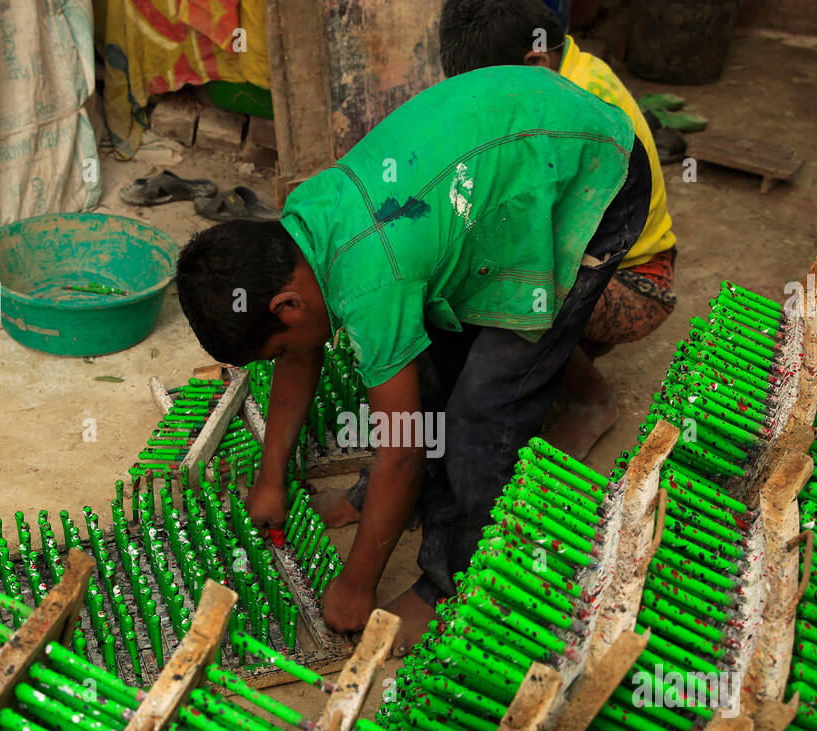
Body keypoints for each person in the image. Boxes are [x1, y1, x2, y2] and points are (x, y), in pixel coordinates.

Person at [175, 66, 650, 649]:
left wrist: (357, 583)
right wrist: (271, 478)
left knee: (484, 409)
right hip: (516, 144)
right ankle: (444, 486)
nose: (286, 358)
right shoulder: (303, 223)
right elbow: (300, 360)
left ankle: (451, 582)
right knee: (432, 367)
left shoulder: (371, 283)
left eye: (276, 347)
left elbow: (399, 451)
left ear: (288, 306)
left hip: (591, 173)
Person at [439, 0, 679, 459]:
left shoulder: (578, 111)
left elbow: (537, 242)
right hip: (597, 257)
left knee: (497, 281)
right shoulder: (563, 73)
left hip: (639, 282)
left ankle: (592, 401)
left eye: (494, 91)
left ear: (535, 62)